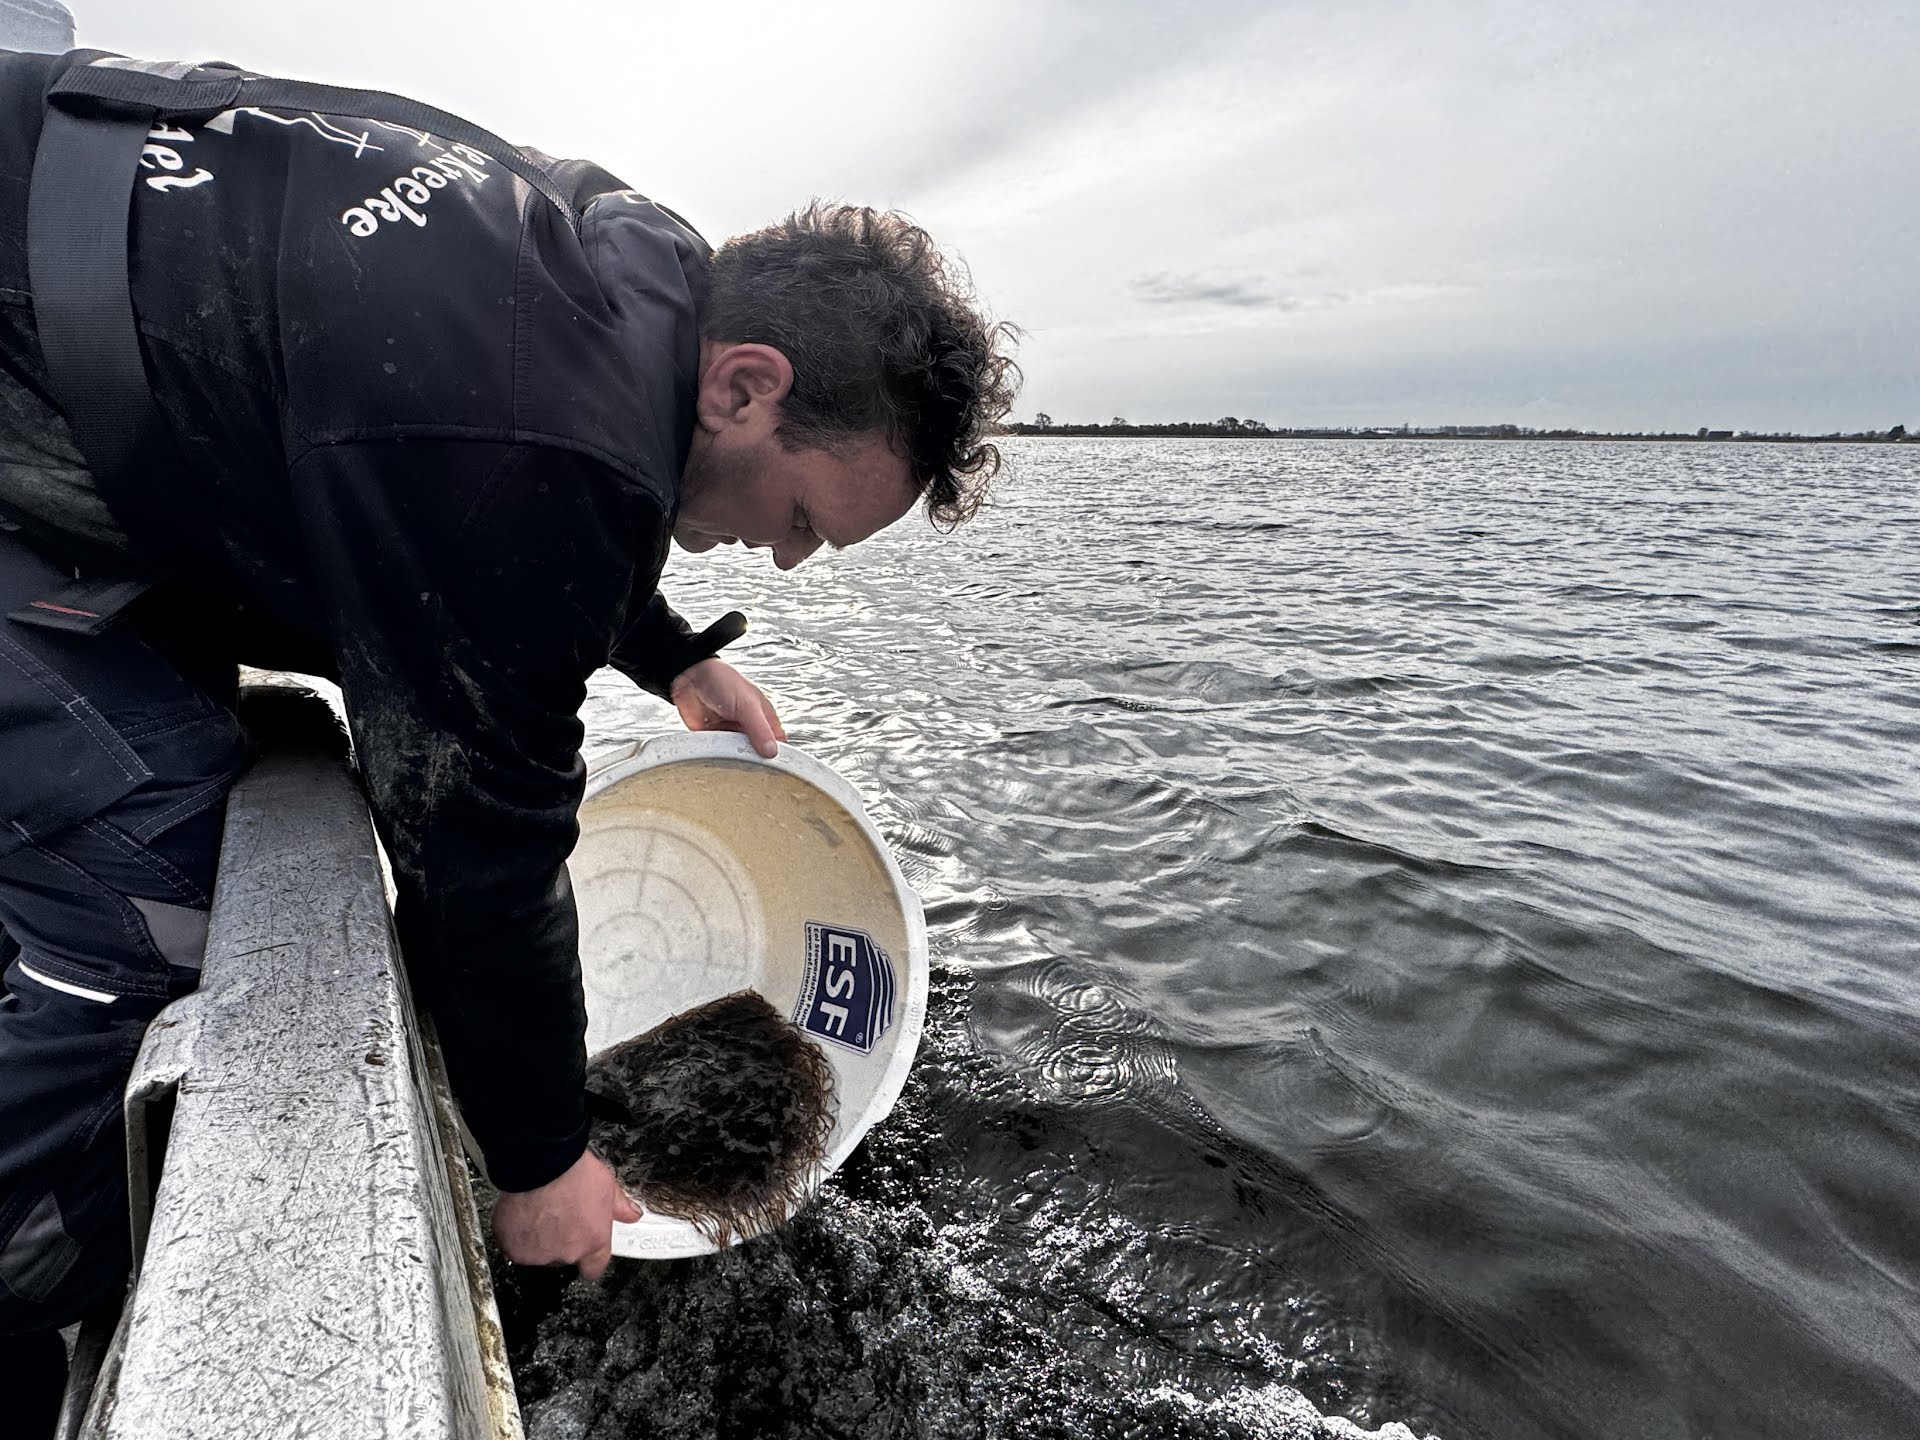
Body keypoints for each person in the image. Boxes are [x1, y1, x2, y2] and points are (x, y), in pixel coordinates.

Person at [0, 45, 1016, 1425]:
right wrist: (542, 1164)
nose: (783, 562)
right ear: (745, 387)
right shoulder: (543, 447)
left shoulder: (626, 263)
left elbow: (484, 475)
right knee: (153, 860)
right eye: (801, 521)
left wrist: (665, 656)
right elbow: (477, 848)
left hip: (85, 351)